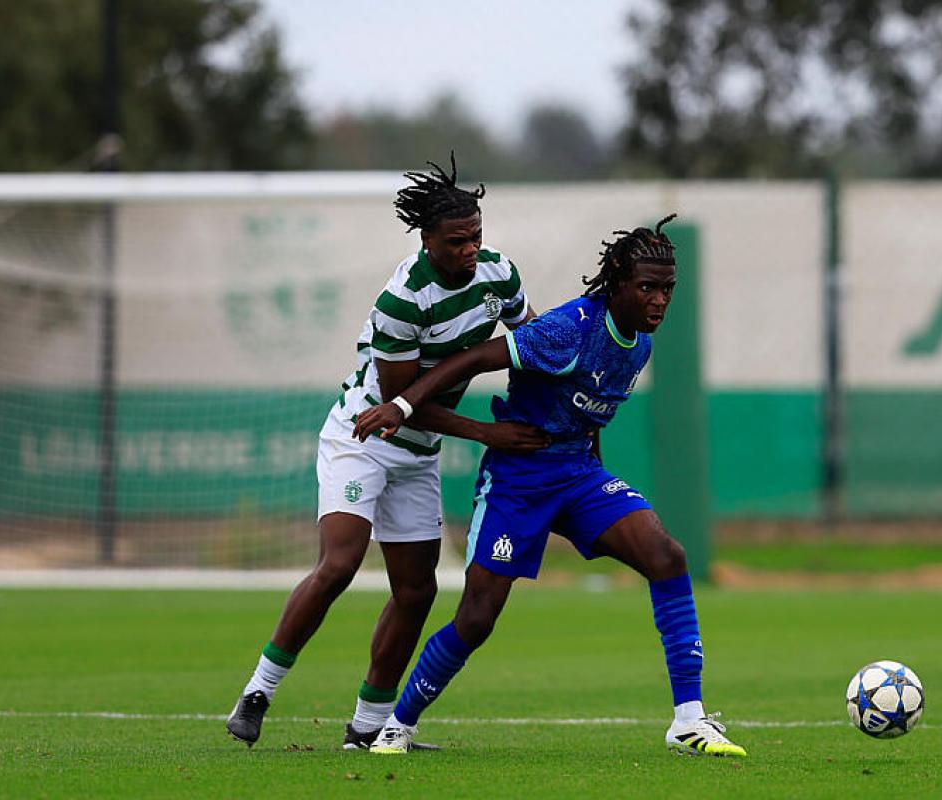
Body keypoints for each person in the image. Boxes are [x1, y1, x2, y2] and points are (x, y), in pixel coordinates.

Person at [352, 215, 746, 758]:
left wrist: (594, 470)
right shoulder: (567, 331)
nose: (659, 300)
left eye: (667, 289)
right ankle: (397, 725)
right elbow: (477, 356)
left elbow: (591, 414)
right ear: (618, 286)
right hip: (518, 479)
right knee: (477, 617)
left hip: (578, 474)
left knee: (666, 555)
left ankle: (689, 719)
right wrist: (400, 404)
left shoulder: (637, 345)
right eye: (647, 288)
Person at [226, 156, 549, 749]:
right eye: (457, 241)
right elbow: (404, 402)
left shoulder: (498, 274)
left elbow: (529, 337)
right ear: (426, 241)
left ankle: (368, 729)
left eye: (476, 235)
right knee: (340, 565)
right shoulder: (403, 301)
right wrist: (486, 433)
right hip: (364, 439)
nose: (470, 249)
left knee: (418, 591)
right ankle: (258, 692)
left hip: (418, 456)